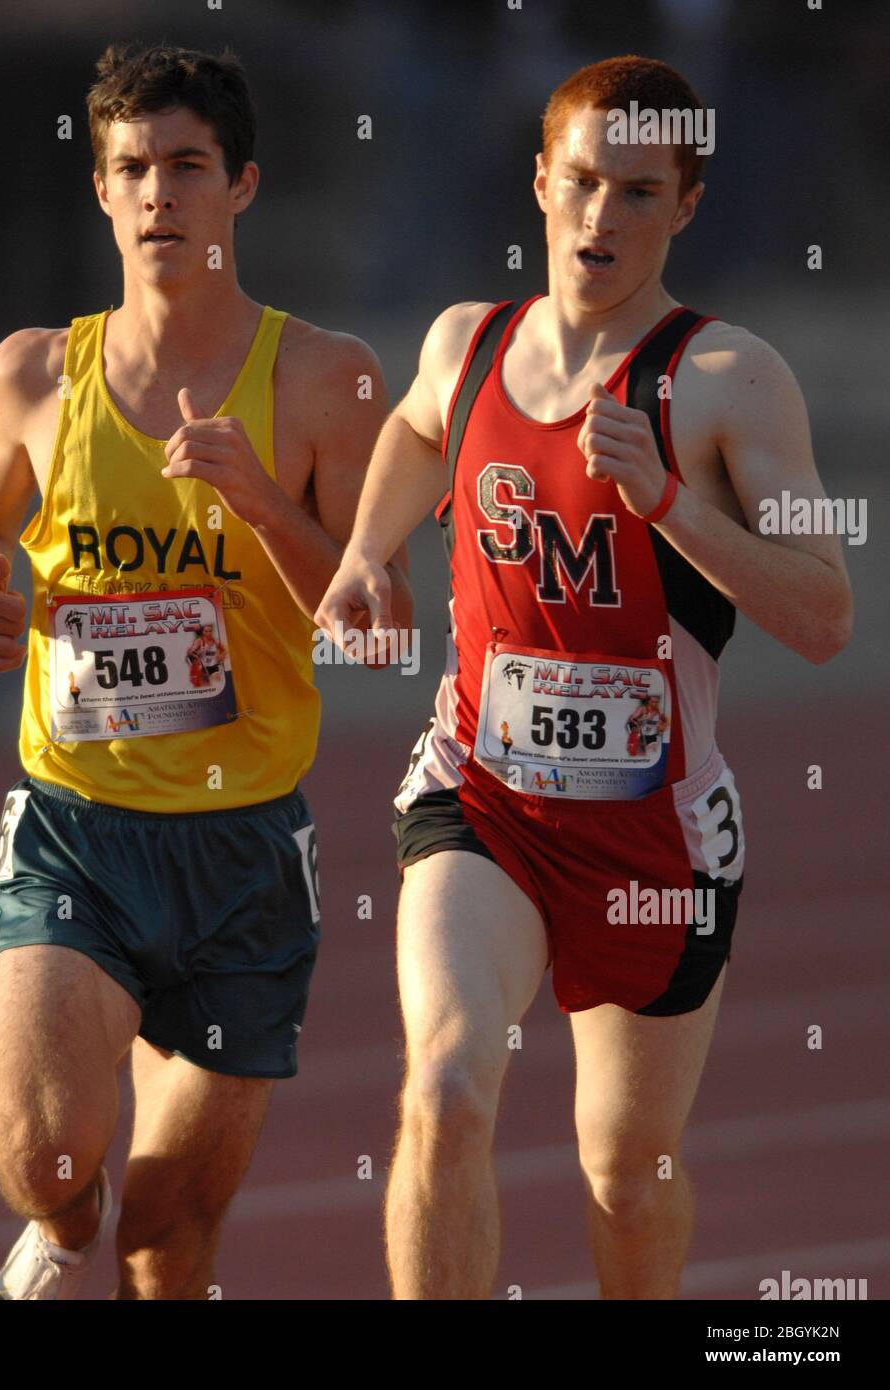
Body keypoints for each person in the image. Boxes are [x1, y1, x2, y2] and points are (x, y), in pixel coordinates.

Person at [315, 55, 852, 1299]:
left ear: (686, 206)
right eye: (582, 183)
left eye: (637, 191)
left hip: (652, 841)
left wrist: (664, 501)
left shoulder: (727, 381)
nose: (602, 217)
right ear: (540, 182)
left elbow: (824, 613)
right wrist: (363, 553)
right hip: (481, 798)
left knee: (625, 1169)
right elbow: (411, 427)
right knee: (444, 1088)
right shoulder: (467, 340)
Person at [0, 40, 408, 1300]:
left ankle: (116, 1236)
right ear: (100, 190)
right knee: (50, 1157)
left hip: (242, 850)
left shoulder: (321, 382)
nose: (159, 195)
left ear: (240, 186)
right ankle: (61, 1220)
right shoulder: (35, 373)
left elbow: (383, 624)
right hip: (77, 828)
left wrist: (261, 501)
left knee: (173, 1233)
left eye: (187, 167)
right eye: (132, 168)